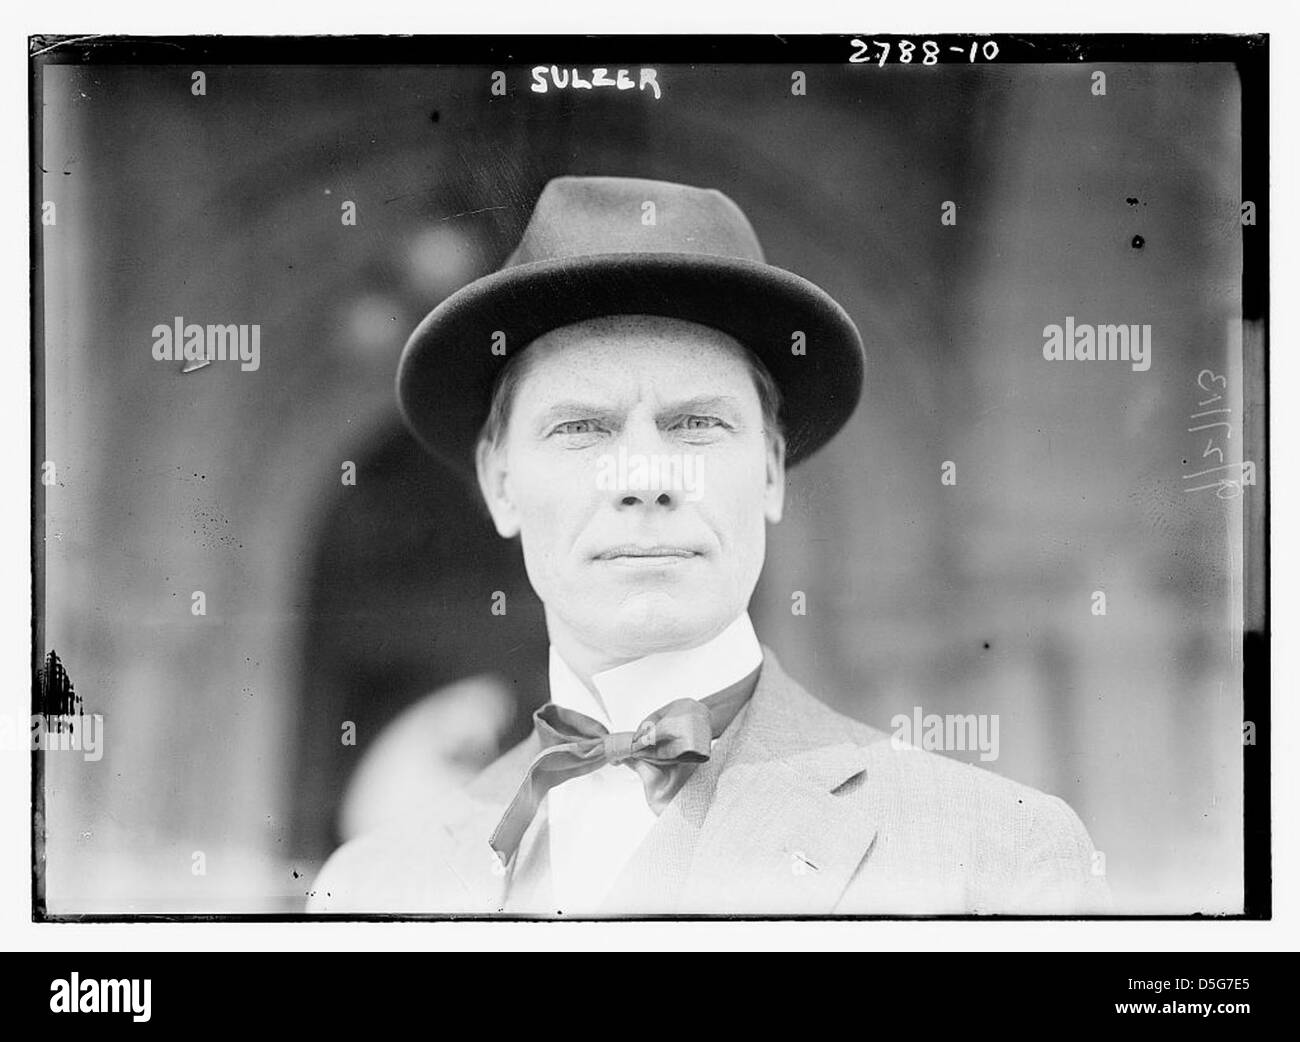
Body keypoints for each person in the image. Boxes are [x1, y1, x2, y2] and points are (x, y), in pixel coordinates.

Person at [307, 176, 1110, 915]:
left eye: (696, 424)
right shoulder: (370, 888)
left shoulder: (996, 857)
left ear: (768, 470)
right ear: (501, 482)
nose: (645, 476)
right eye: (582, 428)